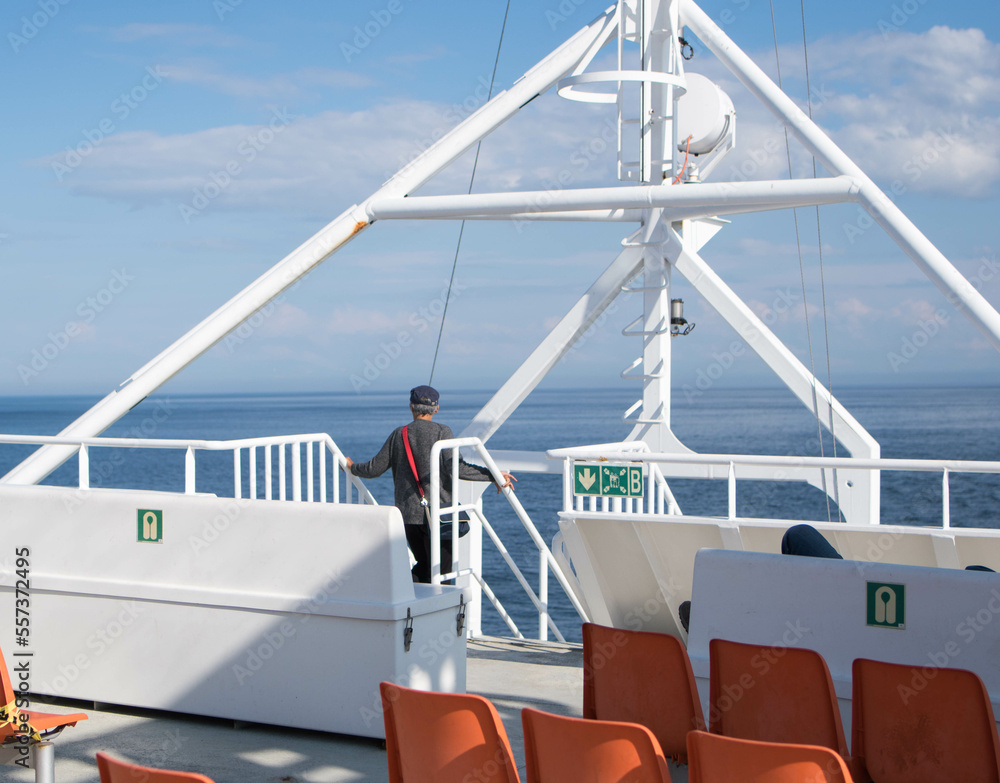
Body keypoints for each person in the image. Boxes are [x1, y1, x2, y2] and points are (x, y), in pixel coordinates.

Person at [344, 385, 515, 584]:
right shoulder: (442, 431)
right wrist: (493, 475)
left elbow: (374, 469)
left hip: (408, 516)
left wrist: (351, 466)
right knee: (442, 570)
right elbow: (456, 468)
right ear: (436, 408)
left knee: (424, 564)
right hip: (440, 514)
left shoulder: (399, 435)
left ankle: (402, 599)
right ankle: (408, 598)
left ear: (411, 407)